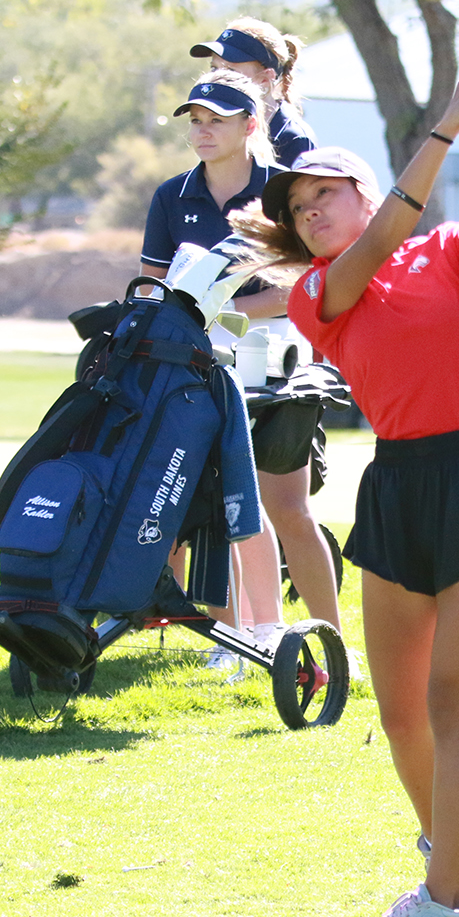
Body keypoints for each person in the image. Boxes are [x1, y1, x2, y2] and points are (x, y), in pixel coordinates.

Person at [229, 62, 459, 917]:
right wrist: (444, 126)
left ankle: (446, 904)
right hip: (399, 484)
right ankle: (451, 860)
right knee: (401, 710)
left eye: (325, 195)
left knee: (453, 703)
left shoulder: (447, 248)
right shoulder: (317, 293)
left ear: (366, 192)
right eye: (299, 209)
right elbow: (373, 249)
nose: (310, 214)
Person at [191, 17, 343, 637]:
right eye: (214, 67)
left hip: (276, 345)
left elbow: (304, 269)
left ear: (273, 80)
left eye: (234, 68)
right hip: (225, 341)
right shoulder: (219, 140)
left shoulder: (293, 145)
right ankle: (241, 631)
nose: (219, 77)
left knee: (281, 503)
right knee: (229, 499)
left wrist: (215, 305)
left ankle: (319, 636)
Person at [140, 70, 296, 655]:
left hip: (268, 354)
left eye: (217, 122)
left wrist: (219, 309)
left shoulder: (283, 190)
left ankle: (262, 630)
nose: (202, 132)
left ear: (250, 125)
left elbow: (296, 289)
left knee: (241, 493)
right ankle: (224, 632)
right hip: (190, 356)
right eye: (196, 122)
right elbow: (152, 286)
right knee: (198, 491)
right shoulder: (170, 195)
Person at [189, 18, 317, 167]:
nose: (217, 79)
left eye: (230, 71)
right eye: (214, 68)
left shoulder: (294, 139)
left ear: (264, 79)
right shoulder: (215, 131)